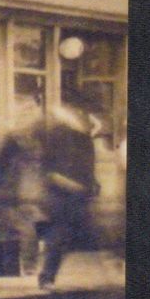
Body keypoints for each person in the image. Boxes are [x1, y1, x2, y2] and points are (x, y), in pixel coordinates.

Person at [34, 106, 99, 289]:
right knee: (59, 235)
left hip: (72, 194)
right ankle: (46, 277)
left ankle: (47, 277)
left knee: (63, 236)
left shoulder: (82, 140)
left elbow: (87, 169)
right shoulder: (62, 138)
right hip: (62, 195)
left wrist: (91, 185)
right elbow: (48, 170)